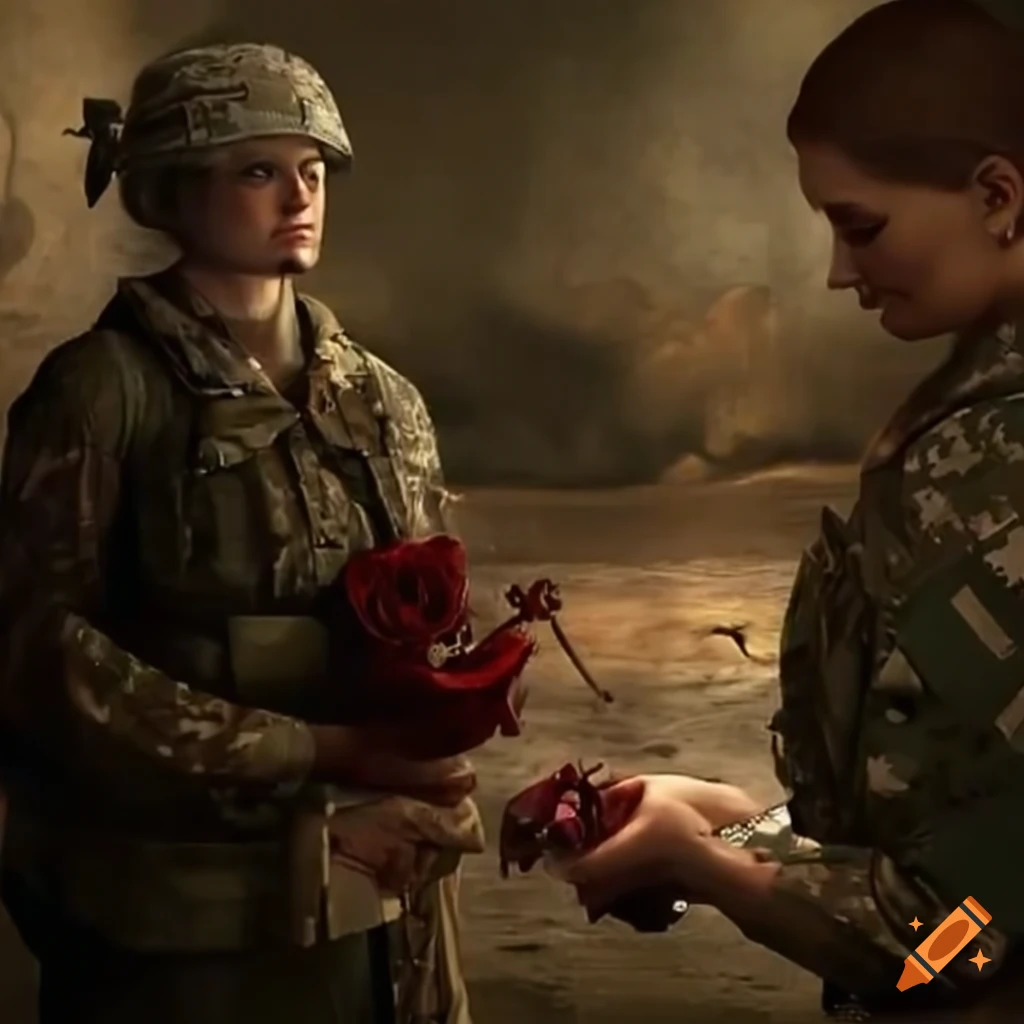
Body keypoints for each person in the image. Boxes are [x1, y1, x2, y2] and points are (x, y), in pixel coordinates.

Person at [0, 43, 482, 1024]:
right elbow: (40, 659)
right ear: (172, 192)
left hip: (387, 913)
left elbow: (429, 634)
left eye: (313, 170)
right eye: (258, 170)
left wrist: (439, 741)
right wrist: (314, 750)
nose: (299, 196)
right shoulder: (102, 395)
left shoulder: (384, 400)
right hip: (187, 927)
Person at [560, 1, 1024, 1018]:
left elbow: (955, 936)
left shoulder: (990, 464)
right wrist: (739, 828)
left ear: (998, 195)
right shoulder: (962, 430)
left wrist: (719, 863)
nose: (838, 271)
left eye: (863, 227)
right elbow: (958, 846)